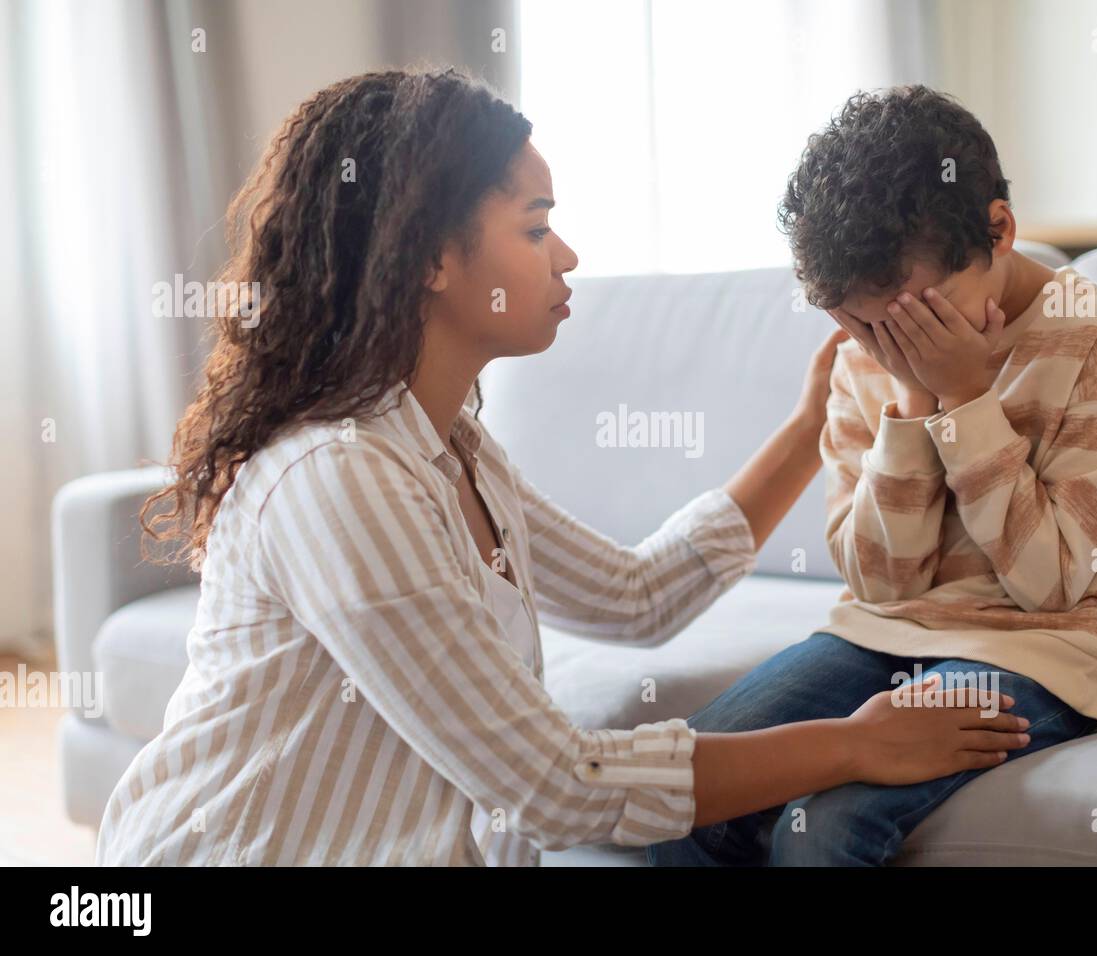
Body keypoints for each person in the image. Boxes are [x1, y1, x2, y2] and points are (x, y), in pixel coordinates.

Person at [94, 69, 1029, 867]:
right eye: (536, 227)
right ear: (429, 259)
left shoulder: (450, 446)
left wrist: (807, 425)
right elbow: (554, 784)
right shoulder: (339, 480)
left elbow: (637, 595)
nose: (569, 255)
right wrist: (855, 746)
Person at [649, 85, 1097, 867]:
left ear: (997, 230)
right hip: (877, 635)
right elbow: (881, 586)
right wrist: (910, 402)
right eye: (865, 326)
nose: (893, 343)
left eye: (918, 317)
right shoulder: (865, 359)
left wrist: (965, 400)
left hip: (1040, 652)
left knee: (828, 831)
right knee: (680, 791)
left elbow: (1056, 584)